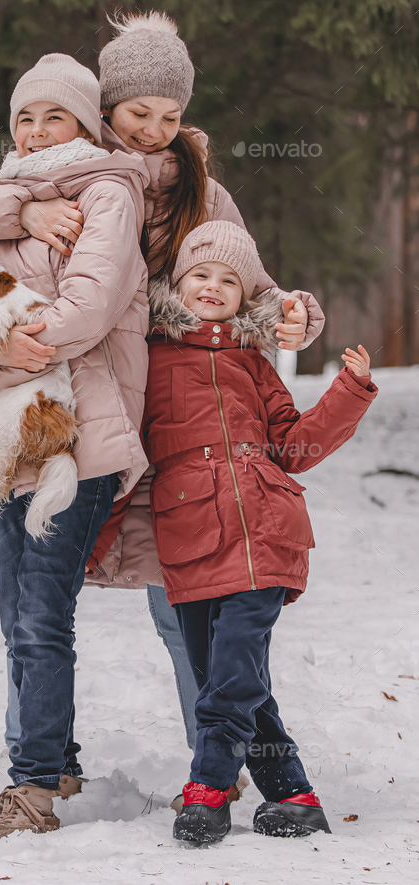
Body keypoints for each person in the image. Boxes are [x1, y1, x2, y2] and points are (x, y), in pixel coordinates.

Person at [0, 11, 326, 769]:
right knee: (31, 598)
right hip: (78, 403)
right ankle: (37, 755)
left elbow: (255, 285)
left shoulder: (202, 194)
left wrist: (293, 316)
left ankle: (220, 752)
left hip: (179, 418)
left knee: (187, 602)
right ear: (107, 105)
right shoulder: (60, 168)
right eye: (138, 113)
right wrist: (26, 208)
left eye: (169, 116)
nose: (152, 130)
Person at [0, 53, 151, 838]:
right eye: (25, 116)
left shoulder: (107, 192)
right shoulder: (11, 197)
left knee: (42, 615)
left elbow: (89, 304)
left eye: (54, 116)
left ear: (86, 125)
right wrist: (19, 218)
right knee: (14, 609)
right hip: (3, 435)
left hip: (80, 433)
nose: (35, 129)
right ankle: (53, 756)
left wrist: (19, 344)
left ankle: (32, 790)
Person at [141, 219, 377, 845]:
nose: (213, 287)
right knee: (223, 672)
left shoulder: (254, 360)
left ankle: (209, 786)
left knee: (234, 667)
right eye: (201, 274)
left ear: (247, 297)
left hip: (266, 528)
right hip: (188, 531)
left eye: (229, 280)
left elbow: (294, 446)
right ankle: (293, 795)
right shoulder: (148, 355)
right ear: (177, 282)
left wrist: (349, 394)